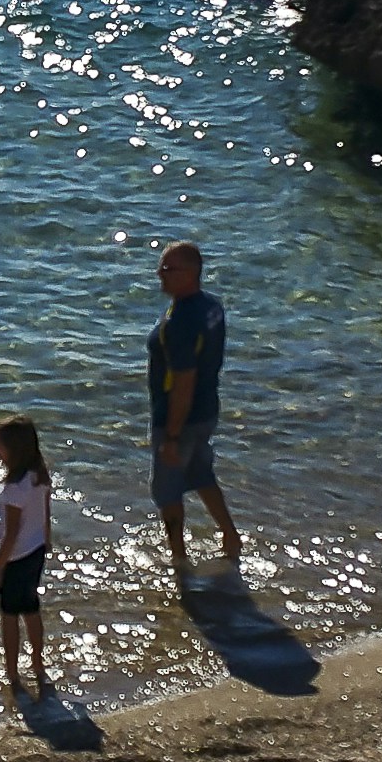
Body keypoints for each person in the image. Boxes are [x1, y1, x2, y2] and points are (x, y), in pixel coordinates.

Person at [149, 240, 241, 580]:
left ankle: (178, 559)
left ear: (190, 274)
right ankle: (231, 535)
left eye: (168, 269)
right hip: (207, 410)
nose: (160, 274)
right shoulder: (211, 307)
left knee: (167, 490)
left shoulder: (181, 322)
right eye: (161, 267)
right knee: (201, 472)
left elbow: (183, 381)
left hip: (180, 417)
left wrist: (171, 435)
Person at [0, 415, 52, 700]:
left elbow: (10, 534)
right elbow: (46, 513)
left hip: (16, 558)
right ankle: (37, 662)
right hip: (36, 550)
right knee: (31, 608)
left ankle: (12, 671)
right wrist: (47, 541)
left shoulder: (12, 488)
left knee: (10, 617)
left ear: (13, 448)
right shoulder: (39, 475)